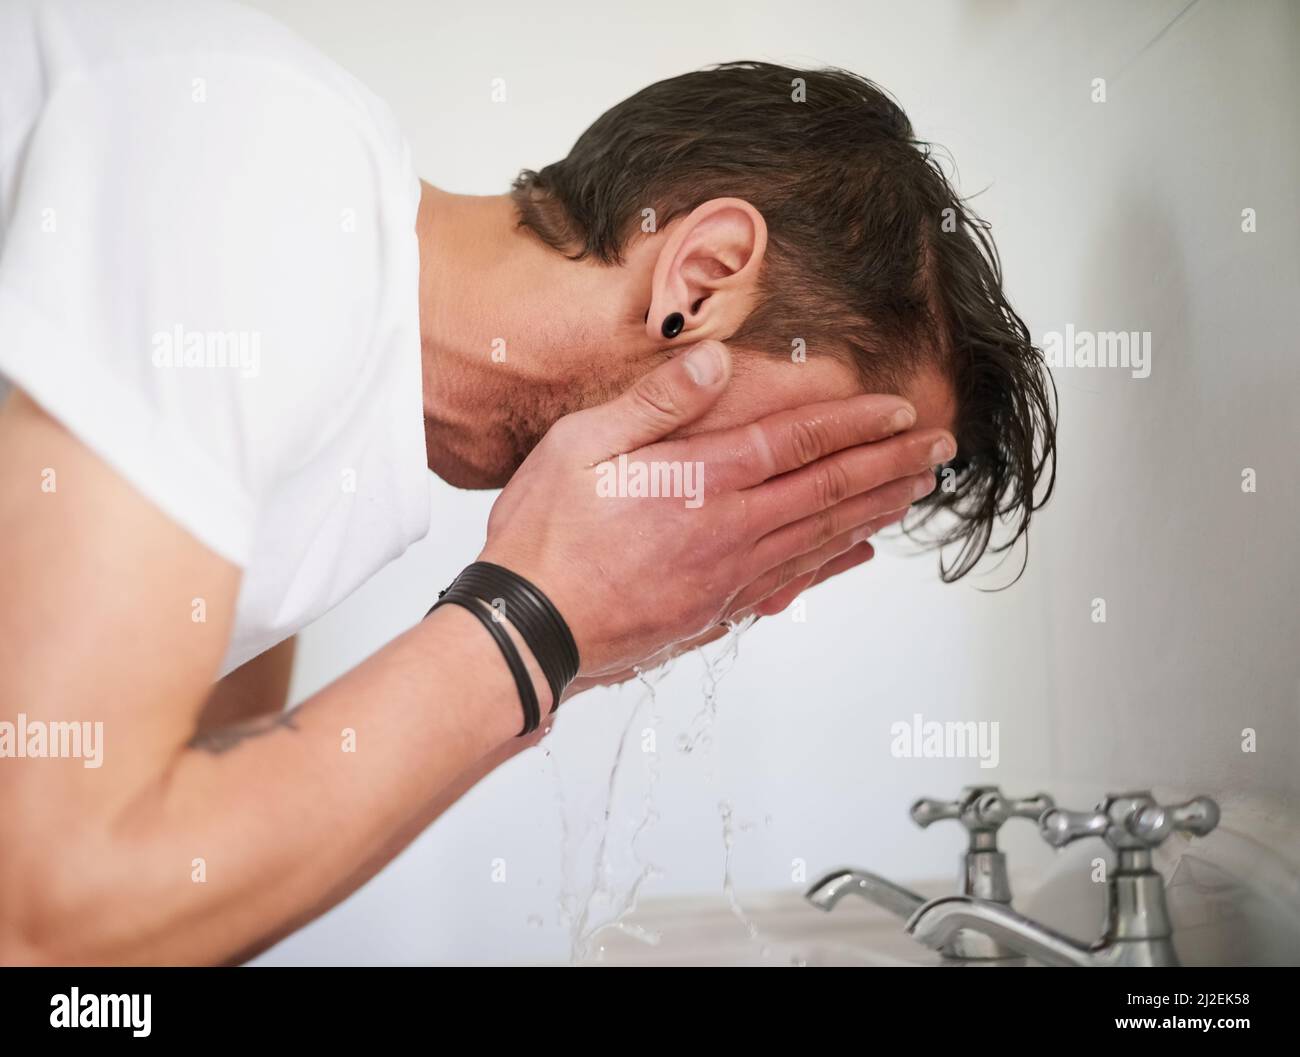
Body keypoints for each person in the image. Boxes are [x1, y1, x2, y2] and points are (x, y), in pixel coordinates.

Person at [0, 0, 1053, 963]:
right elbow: (47, 915)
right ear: (703, 279)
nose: (775, 543)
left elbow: (183, 900)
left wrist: (568, 646)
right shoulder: (268, 165)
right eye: (820, 470)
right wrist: (531, 621)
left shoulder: (334, 477)